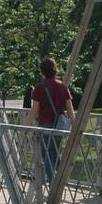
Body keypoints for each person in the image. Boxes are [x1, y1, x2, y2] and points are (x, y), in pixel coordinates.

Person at [26, 58, 74, 187]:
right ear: (55, 70)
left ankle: (54, 186)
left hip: (45, 125)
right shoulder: (62, 86)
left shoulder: (39, 88)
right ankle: (62, 180)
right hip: (60, 126)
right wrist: (74, 126)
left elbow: (34, 110)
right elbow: (69, 108)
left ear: (42, 72)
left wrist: (26, 127)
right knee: (56, 153)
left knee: (47, 155)